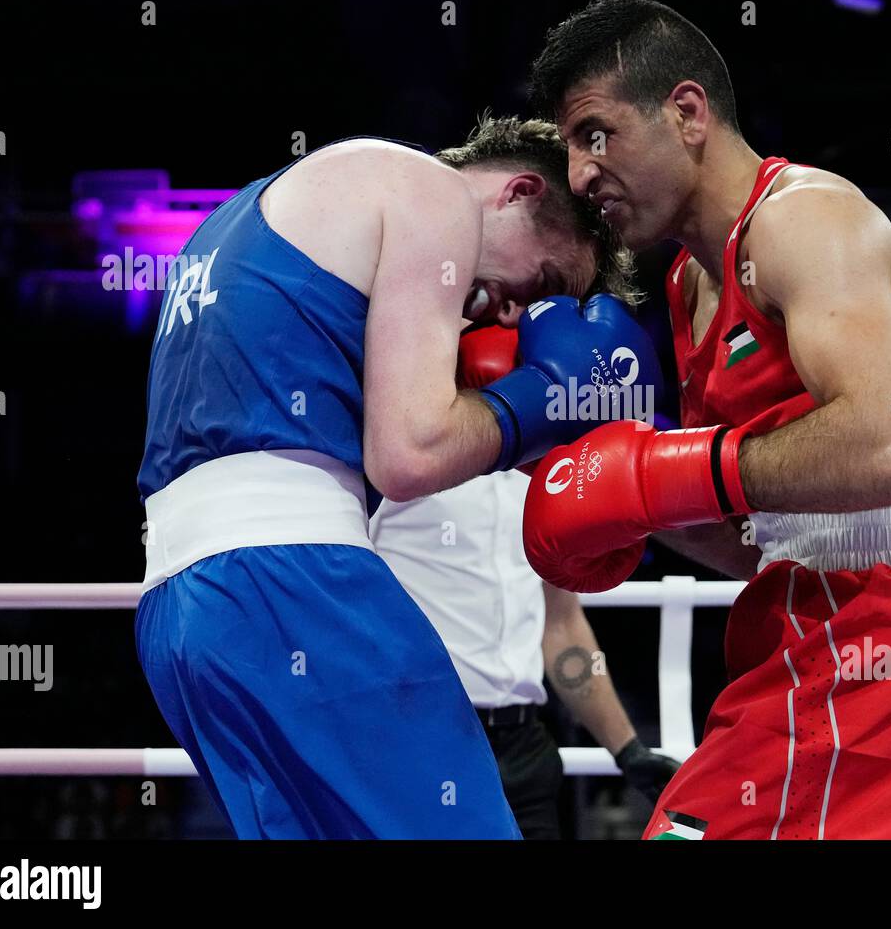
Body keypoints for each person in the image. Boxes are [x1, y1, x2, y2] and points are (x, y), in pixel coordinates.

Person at [521, 0, 891, 839]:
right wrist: (625, 500)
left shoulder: (804, 219)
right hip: (806, 613)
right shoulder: (689, 284)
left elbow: (884, 446)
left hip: (878, 622)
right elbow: (754, 525)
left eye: (595, 135)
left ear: (686, 112)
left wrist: (662, 473)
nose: (579, 176)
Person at [134, 116, 662, 838]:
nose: (512, 313)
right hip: (294, 579)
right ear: (518, 192)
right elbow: (409, 455)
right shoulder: (429, 189)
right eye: (539, 281)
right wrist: (550, 399)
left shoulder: (239, 217)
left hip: (182, 608)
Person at [370, 322, 680, 838]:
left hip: (526, 749)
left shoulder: (543, 476)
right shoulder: (400, 463)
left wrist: (627, 750)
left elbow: (560, 626)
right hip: (421, 738)